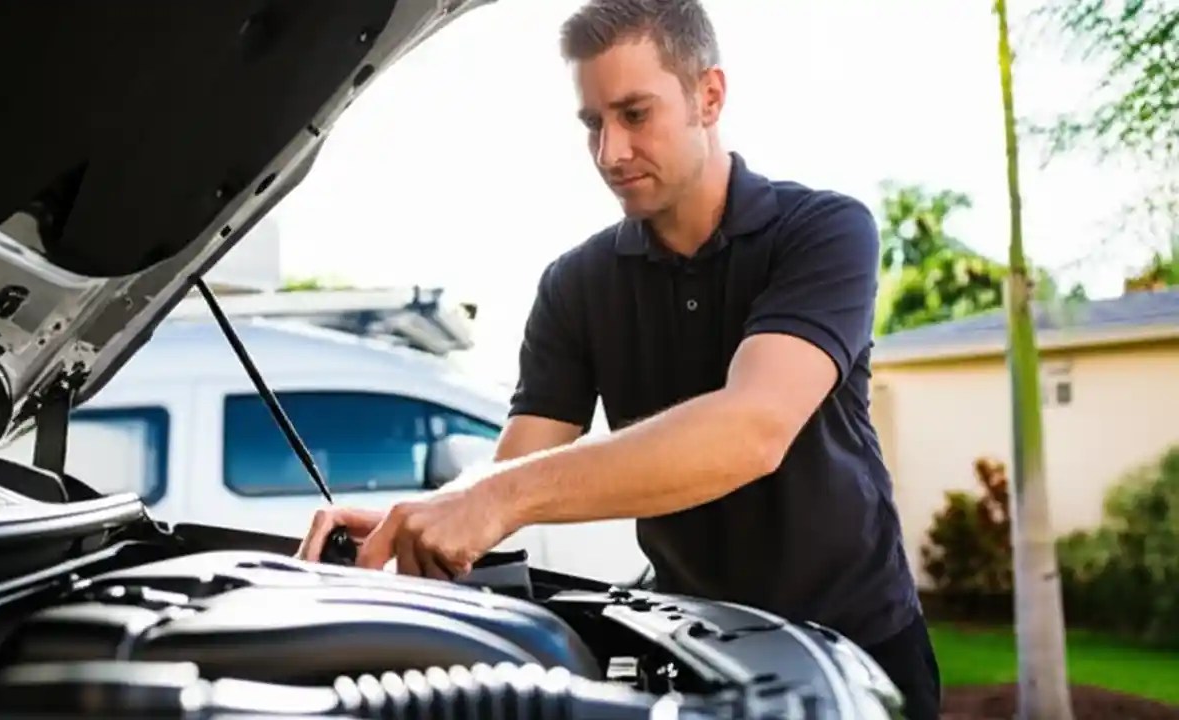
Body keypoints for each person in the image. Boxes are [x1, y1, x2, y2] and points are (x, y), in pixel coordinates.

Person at [296, 0, 940, 716]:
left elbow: (753, 429)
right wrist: (420, 517)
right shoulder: (576, 285)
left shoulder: (822, 232)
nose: (610, 153)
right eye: (593, 124)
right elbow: (517, 461)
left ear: (709, 96)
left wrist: (493, 499)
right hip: (698, 656)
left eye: (635, 115)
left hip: (856, 654)